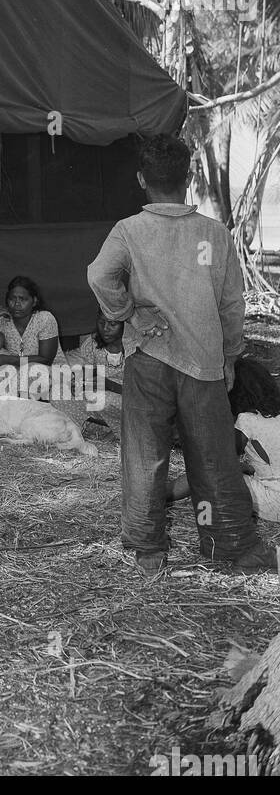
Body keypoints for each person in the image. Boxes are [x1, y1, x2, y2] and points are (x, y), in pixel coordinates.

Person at [87, 134, 277, 574]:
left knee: (145, 456)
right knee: (210, 456)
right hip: (203, 363)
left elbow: (99, 275)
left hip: (149, 359)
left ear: (141, 180)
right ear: (188, 178)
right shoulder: (213, 234)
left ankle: (148, 548)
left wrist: (128, 313)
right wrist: (230, 357)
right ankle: (228, 546)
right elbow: (232, 305)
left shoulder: (130, 231)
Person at [167, 356, 280, 522]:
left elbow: (215, 462)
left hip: (274, 502)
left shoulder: (247, 420)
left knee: (210, 475)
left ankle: (166, 497)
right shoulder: (274, 416)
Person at [0, 276, 59, 374]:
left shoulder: (44, 318)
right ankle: (14, 381)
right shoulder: (1, 320)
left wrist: (10, 360)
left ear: (34, 301)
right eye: (12, 299)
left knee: (33, 370)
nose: (17, 304)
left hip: (46, 370)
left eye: (23, 299)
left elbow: (46, 360)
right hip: (16, 368)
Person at [65, 311, 135, 397]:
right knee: (61, 393)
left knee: (99, 399)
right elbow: (90, 368)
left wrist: (109, 385)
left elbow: (142, 392)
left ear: (126, 325)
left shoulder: (135, 350)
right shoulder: (93, 344)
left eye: (112, 324)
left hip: (126, 397)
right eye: (101, 322)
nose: (105, 328)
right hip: (97, 391)